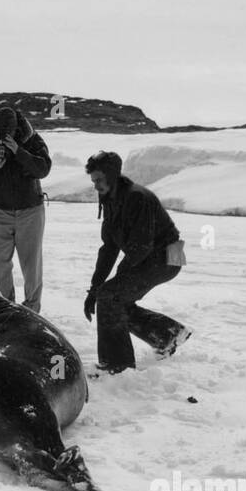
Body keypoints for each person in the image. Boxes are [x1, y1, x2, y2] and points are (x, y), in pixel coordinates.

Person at [83, 150, 191, 371]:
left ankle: (117, 365)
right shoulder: (110, 200)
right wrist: (94, 288)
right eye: (93, 181)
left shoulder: (136, 197)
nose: (96, 186)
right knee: (111, 297)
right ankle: (166, 334)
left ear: (112, 176)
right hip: (148, 258)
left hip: (166, 258)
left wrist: (107, 287)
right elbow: (109, 248)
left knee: (111, 296)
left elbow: (140, 246)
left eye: (99, 180)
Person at [0, 103, 51, 312]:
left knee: (31, 264)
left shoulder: (33, 141)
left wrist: (19, 152)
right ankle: (5, 307)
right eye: (0, 132)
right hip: (0, 211)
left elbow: (43, 169)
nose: (5, 136)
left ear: (18, 128)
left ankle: (32, 308)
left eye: (10, 132)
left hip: (30, 211)